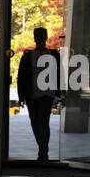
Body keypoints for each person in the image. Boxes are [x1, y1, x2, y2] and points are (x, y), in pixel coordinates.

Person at [16, 26, 60, 163]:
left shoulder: (54, 55)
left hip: (47, 94)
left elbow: (59, 73)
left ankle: (43, 152)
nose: (39, 39)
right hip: (32, 94)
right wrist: (21, 96)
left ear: (45, 38)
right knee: (35, 123)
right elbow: (21, 77)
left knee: (43, 121)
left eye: (42, 36)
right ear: (35, 38)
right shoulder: (28, 56)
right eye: (37, 36)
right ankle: (42, 149)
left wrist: (59, 93)